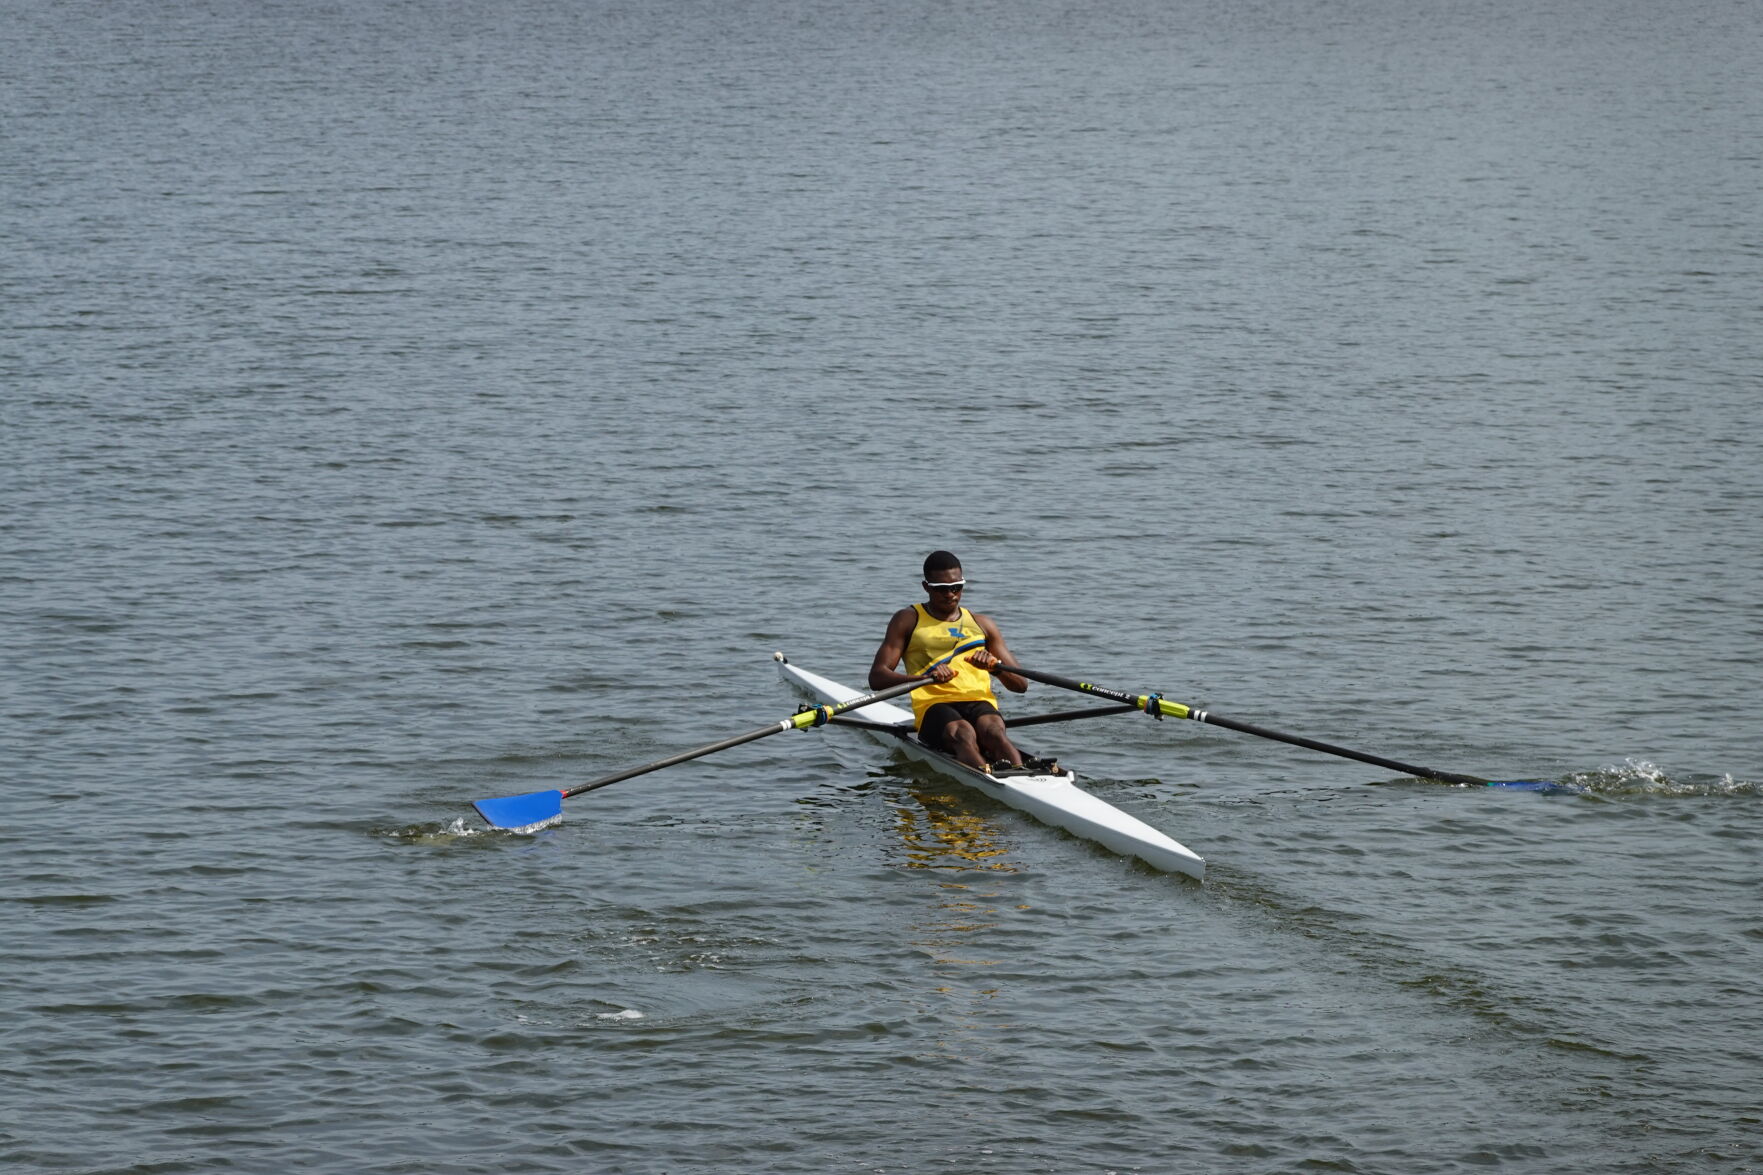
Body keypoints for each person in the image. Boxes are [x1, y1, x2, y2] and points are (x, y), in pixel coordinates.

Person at [869, 551, 1030, 774]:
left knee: (994, 732)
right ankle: (987, 777)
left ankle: (1023, 777)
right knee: (963, 733)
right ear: (926, 587)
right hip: (934, 706)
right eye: (941, 588)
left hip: (978, 701)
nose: (951, 594)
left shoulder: (982, 623)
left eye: (957, 587)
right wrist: (924, 679)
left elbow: (1021, 685)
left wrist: (996, 668)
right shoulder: (908, 619)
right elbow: (877, 677)